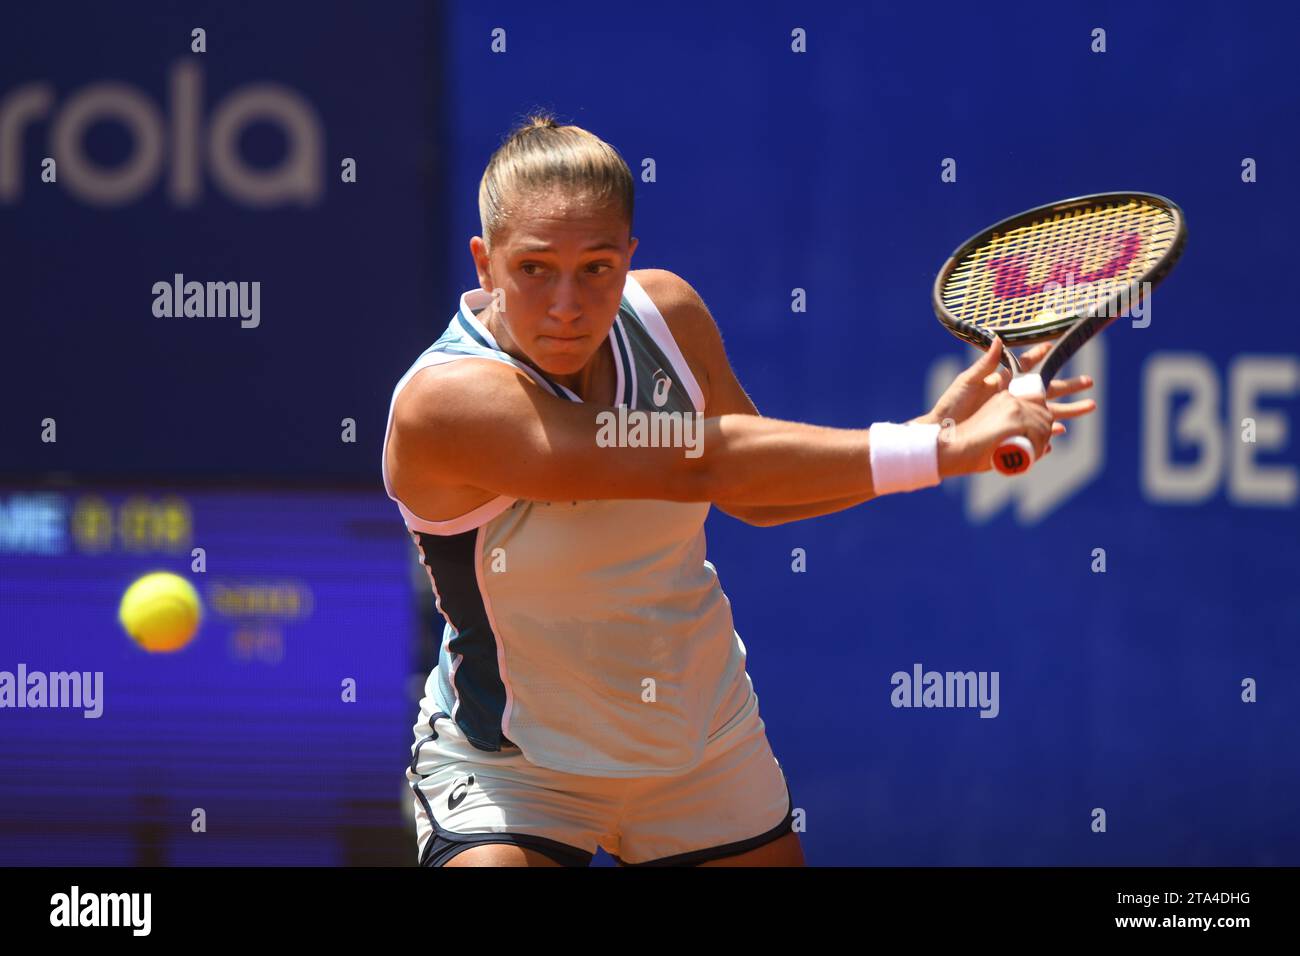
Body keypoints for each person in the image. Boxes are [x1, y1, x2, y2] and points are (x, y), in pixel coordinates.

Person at [383, 114, 1095, 867]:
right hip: (512, 768)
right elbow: (697, 462)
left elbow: (755, 493)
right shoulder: (446, 404)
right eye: (534, 268)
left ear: (628, 258)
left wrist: (930, 433)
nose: (567, 303)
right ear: (484, 263)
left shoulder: (668, 318)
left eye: (596, 267)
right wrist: (940, 450)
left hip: (699, 744)